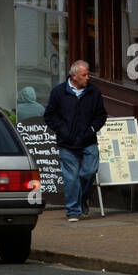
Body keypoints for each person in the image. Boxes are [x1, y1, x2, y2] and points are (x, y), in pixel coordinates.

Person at [43, 59, 107, 221]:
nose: (88, 78)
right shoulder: (58, 92)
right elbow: (49, 116)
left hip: (88, 141)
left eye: (88, 74)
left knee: (89, 172)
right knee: (71, 178)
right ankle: (73, 210)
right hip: (67, 142)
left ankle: (82, 198)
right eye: (84, 75)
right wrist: (62, 130)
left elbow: (101, 115)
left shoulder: (94, 92)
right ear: (74, 76)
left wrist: (92, 129)